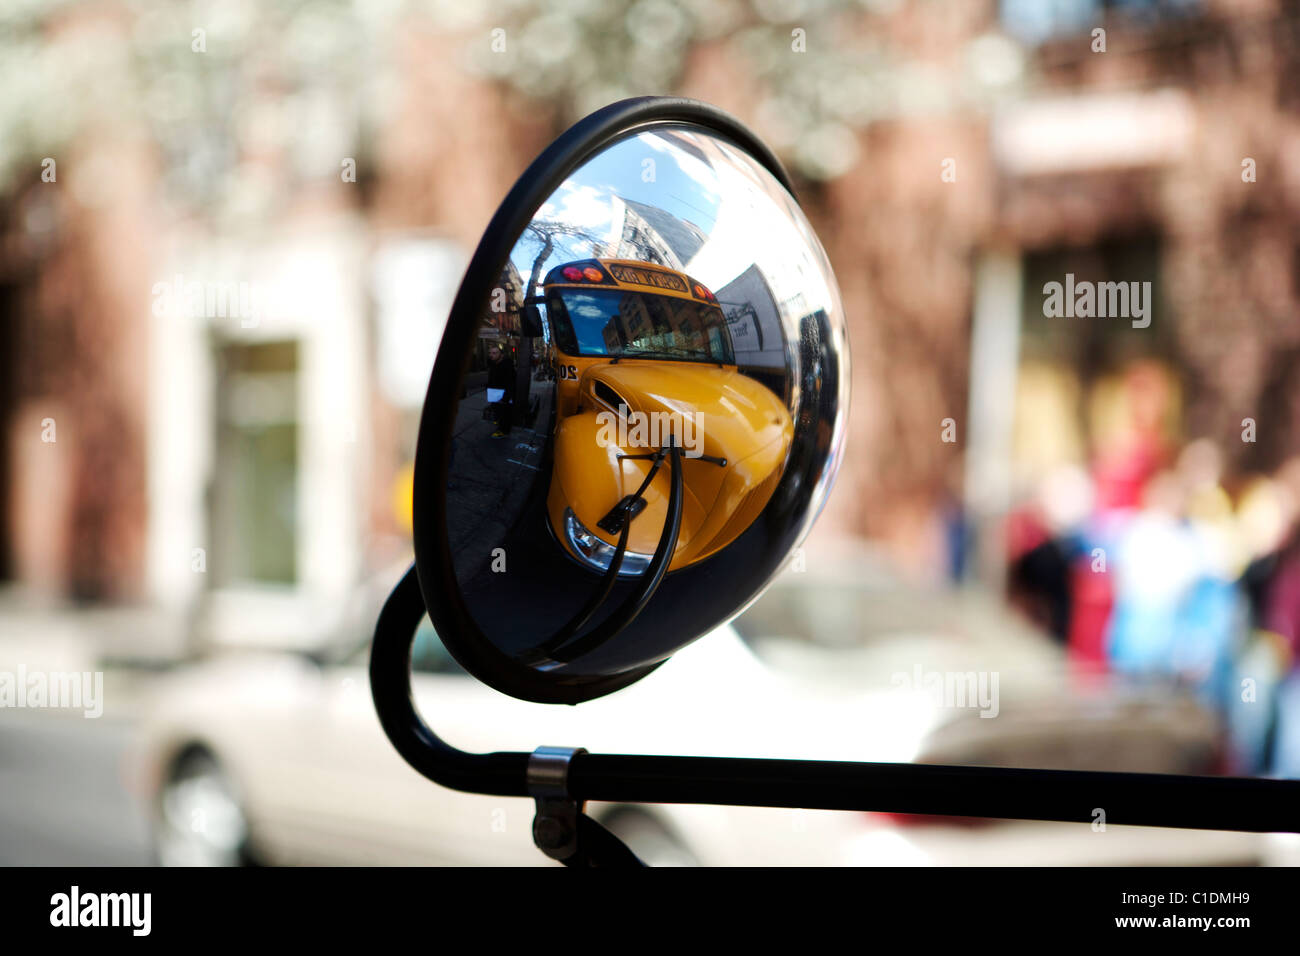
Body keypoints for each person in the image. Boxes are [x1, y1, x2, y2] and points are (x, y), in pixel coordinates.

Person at [486, 343, 515, 438]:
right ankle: (500, 424)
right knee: (498, 412)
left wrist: (506, 397)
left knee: (505, 414)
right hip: (494, 393)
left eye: (494, 353)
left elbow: (511, 383)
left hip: (503, 394)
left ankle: (503, 431)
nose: (491, 355)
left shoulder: (507, 366)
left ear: (501, 354)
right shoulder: (493, 364)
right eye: (490, 353)